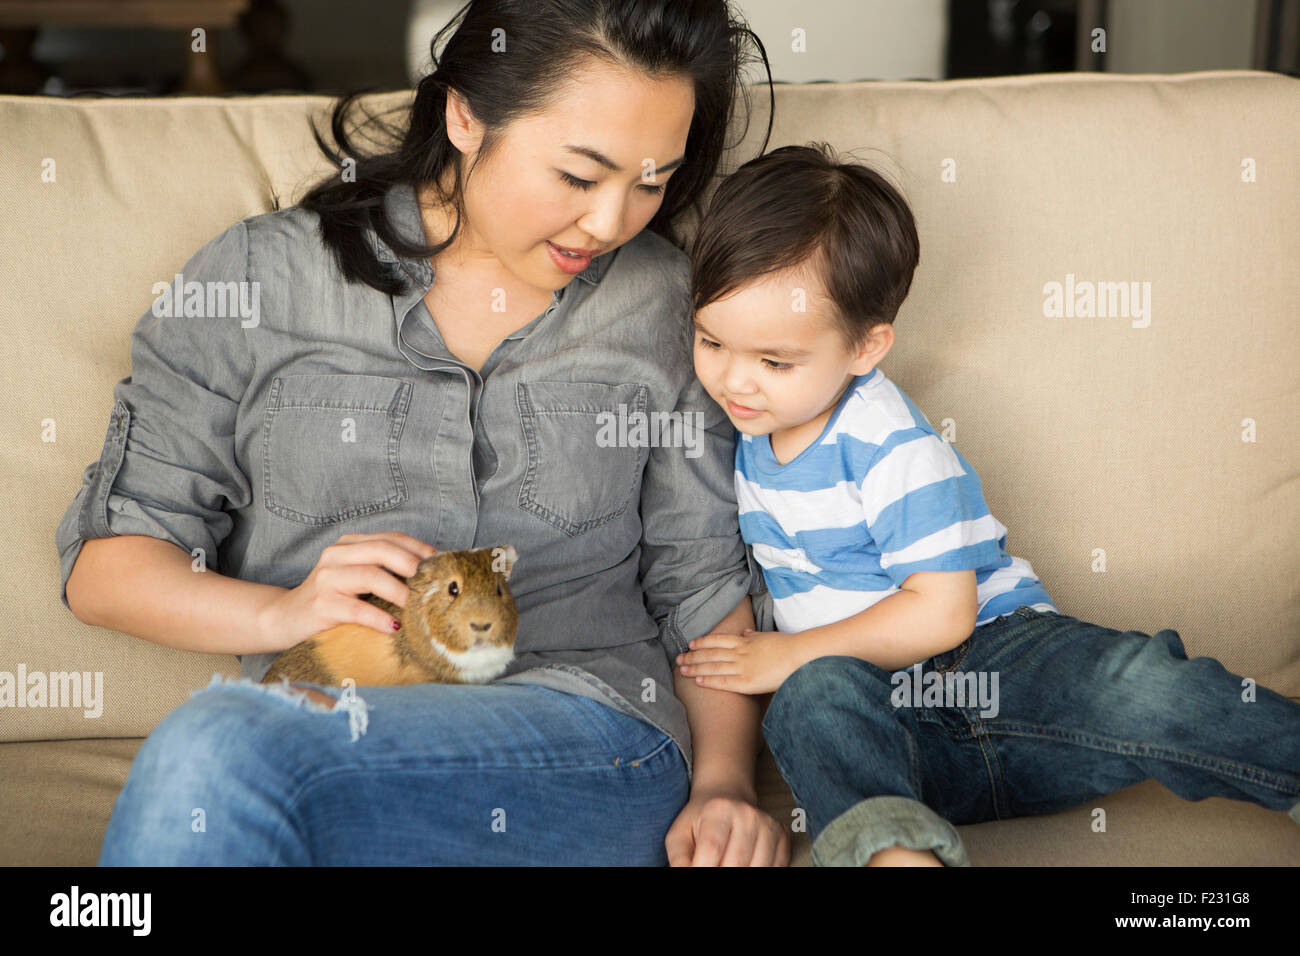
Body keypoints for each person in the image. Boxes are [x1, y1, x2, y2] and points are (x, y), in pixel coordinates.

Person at [56, 0, 794, 866]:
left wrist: (724, 788)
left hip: (589, 735)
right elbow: (111, 565)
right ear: (465, 114)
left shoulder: (670, 303)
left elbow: (698, 581)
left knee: (217, 749)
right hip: (330, 737)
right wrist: (283, 611)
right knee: (233, 756)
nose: (611, 222)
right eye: (578, 176)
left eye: (653, 180)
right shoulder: (259, 279)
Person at [677, 142, 1300, 866]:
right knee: (814, 706)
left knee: (1141, 688)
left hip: (1002, 668)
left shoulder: (886, 442)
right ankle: (897, 854)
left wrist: (787, 652)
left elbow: (943, 611)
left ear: (865, 348)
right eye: (711, 340)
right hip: (902, 742)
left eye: (774, 361)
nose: (735, 381)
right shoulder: (745, 433)